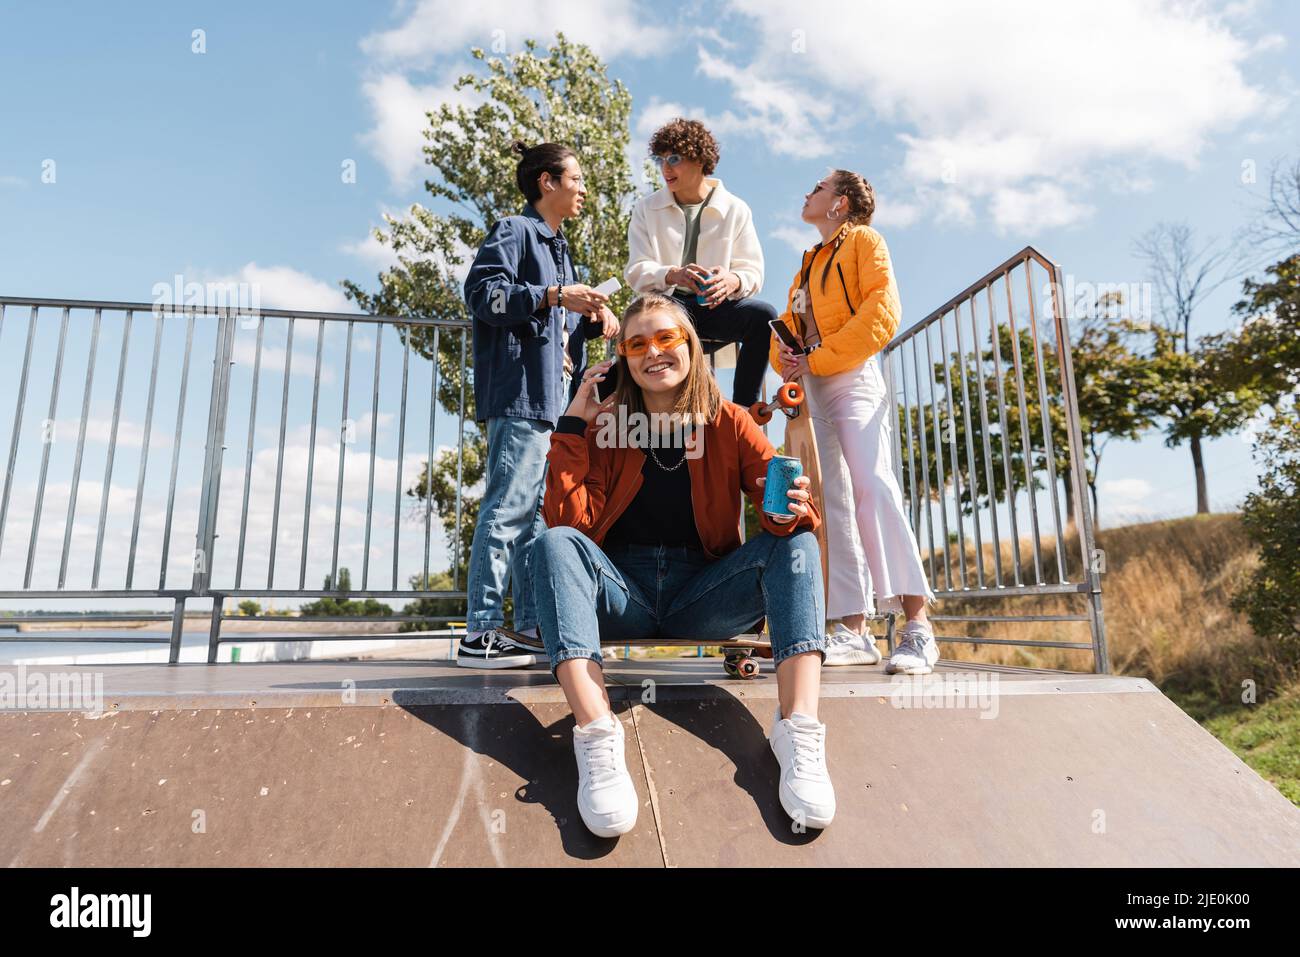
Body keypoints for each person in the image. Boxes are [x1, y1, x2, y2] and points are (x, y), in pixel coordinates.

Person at [531, 293, 834, 837]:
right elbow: (568, 524)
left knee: (799, 546)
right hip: (620, 594)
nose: (654, 351)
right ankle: (597, 736)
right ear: (622, 356)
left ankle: (799, 732)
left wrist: (790, 507)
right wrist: (575, 425)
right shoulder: (603, 426)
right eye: (637, 343)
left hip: (704, 595)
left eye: (667, 337)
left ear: (691, 346)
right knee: (552, 545)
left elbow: (789, 508)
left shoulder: (730, 422)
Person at [769, 170, 938, 673]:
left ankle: (918, 629)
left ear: (840, 203)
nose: (807, 192)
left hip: (852, 377)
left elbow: (882, 312)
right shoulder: (807, 262)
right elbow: (791, 330)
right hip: (816, 384)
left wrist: (816, 361)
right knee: (832, 503)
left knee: (874, 486)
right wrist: (786, 355)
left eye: (817, 187)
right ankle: (853, 629)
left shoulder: (865, 241)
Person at [459, 140, 619, 668]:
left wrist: (590, 318)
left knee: (536, 522)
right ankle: (479, 632)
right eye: (575, 178)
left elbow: (559, 328)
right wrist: (553, 296)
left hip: (552, 405)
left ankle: (527, 628)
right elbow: (484, 295)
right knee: (508, 508)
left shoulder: (561, 249)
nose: (582, 189)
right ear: (547, 182)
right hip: (520, 396)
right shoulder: (515, 230)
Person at [624, 118, 774, 408]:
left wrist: (733, 280)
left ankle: (743, 410)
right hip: (667, 308)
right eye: (661, 159)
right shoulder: (646, 208)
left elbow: (752, 271)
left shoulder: (735, 208)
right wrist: (672, 275)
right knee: (648, 318)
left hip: (715, 309)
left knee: (764, 315)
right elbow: (635, 271)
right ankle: (639, 407)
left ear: (700, 159)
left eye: (675, 159)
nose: (666, 168)